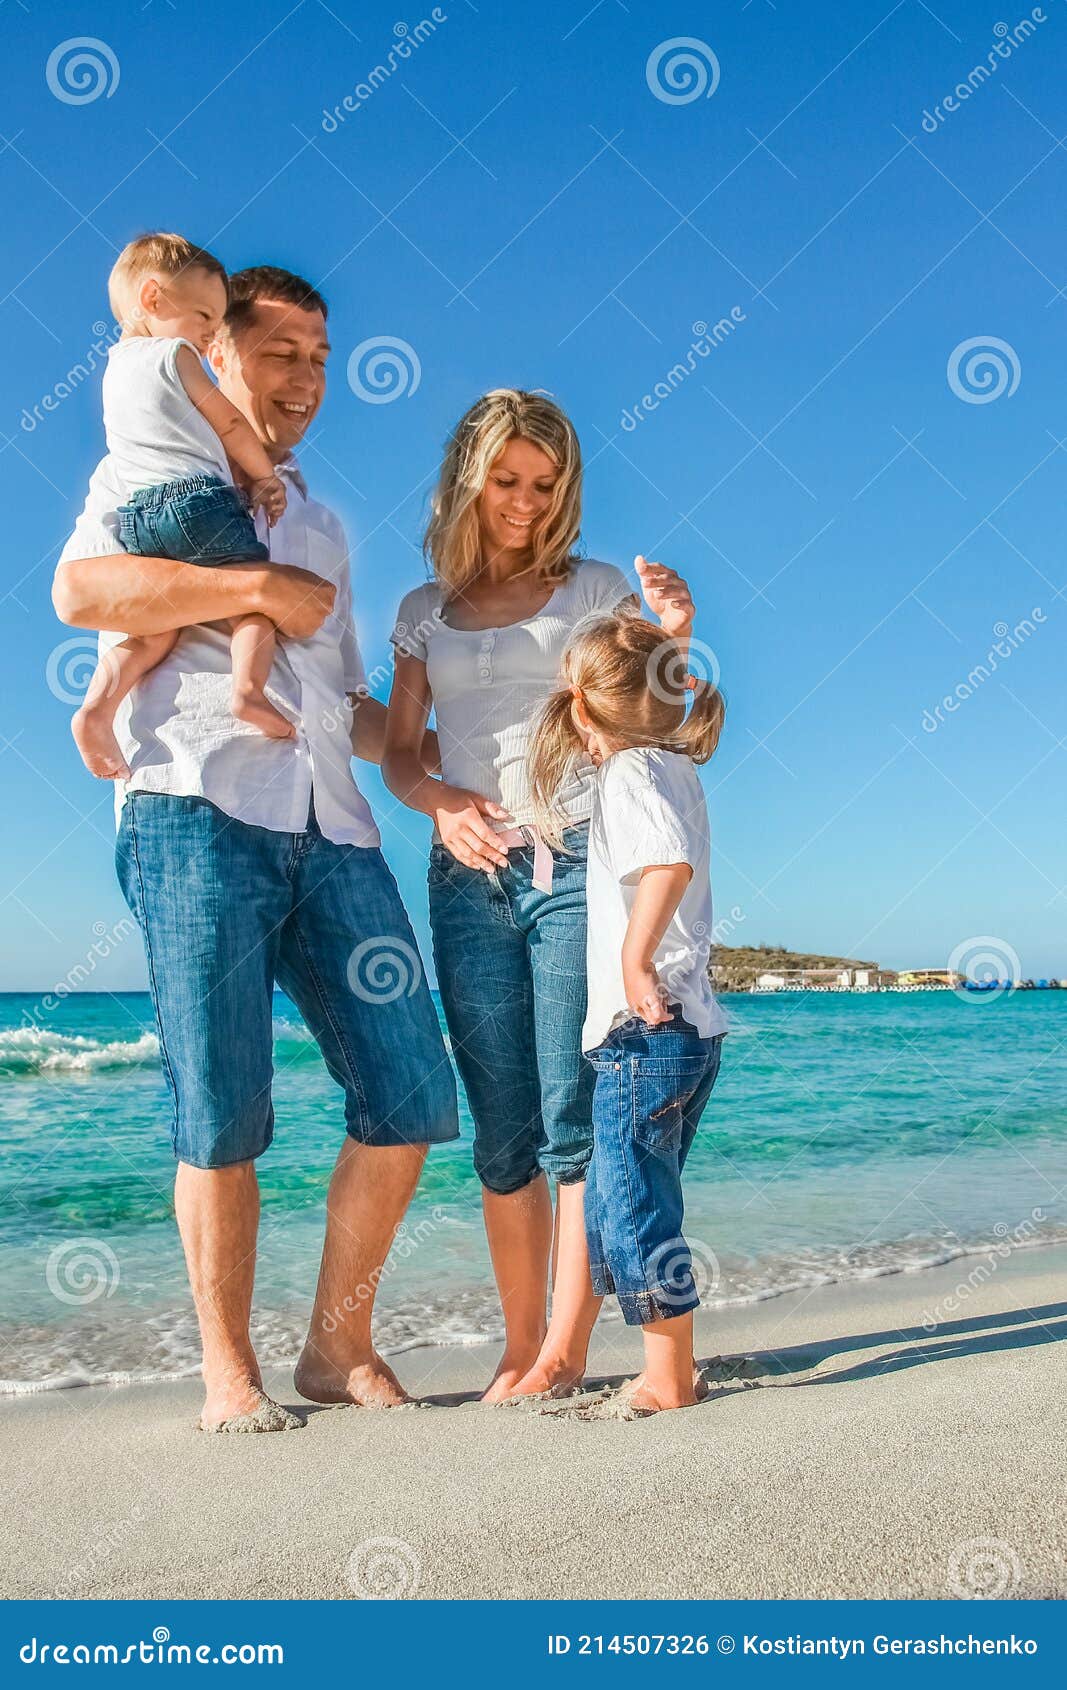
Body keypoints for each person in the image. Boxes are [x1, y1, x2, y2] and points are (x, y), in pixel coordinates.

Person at [52, 266, 457, 1433]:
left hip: (332, 820)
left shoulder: (323, 520)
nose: (305, 381)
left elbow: (345, 700)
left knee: (411, 1087)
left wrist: (454, 766)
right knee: (222, 1104)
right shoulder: (145, 475)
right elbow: (82, 589)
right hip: (193, 803)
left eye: (320, 360)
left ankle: (336, 1349)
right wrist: (251, 582)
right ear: (212, 361)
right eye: (280, 355)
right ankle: (228, 1372)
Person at [382, 388, 699, 1400]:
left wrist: (677, 637)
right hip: (464, 878)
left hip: (573, 870)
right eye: (504, 481)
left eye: (543, 485)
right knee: (500, 1126)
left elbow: (650, 709)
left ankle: (563, 1352)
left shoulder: (596, 586)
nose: (522, 504)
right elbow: (397, 757)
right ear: (467, 479)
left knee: (574, 1113)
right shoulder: (418, 612)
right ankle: (519, 1347)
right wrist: (437, 804)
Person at [528, 613, 727, 1413]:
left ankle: (668, 1376)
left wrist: (632, 960)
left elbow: (666, 867)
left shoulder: (633, 773)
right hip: (684, 1031)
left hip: (644, 1032)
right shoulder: (673, 767)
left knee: (634, 1202)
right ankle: (668, 1360)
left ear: (581, 710)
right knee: (629, 1198)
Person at [73, 234, 294, 782]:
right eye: (201, 315)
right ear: (152, 298)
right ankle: (247, 691)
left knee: (151, 632)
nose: (207, 331)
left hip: (140, 518)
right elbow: (229, 422)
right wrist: (264, 478)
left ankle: (98, 708)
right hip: (197, 498)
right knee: (257, 602)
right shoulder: (176, 356)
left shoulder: (110, 371)